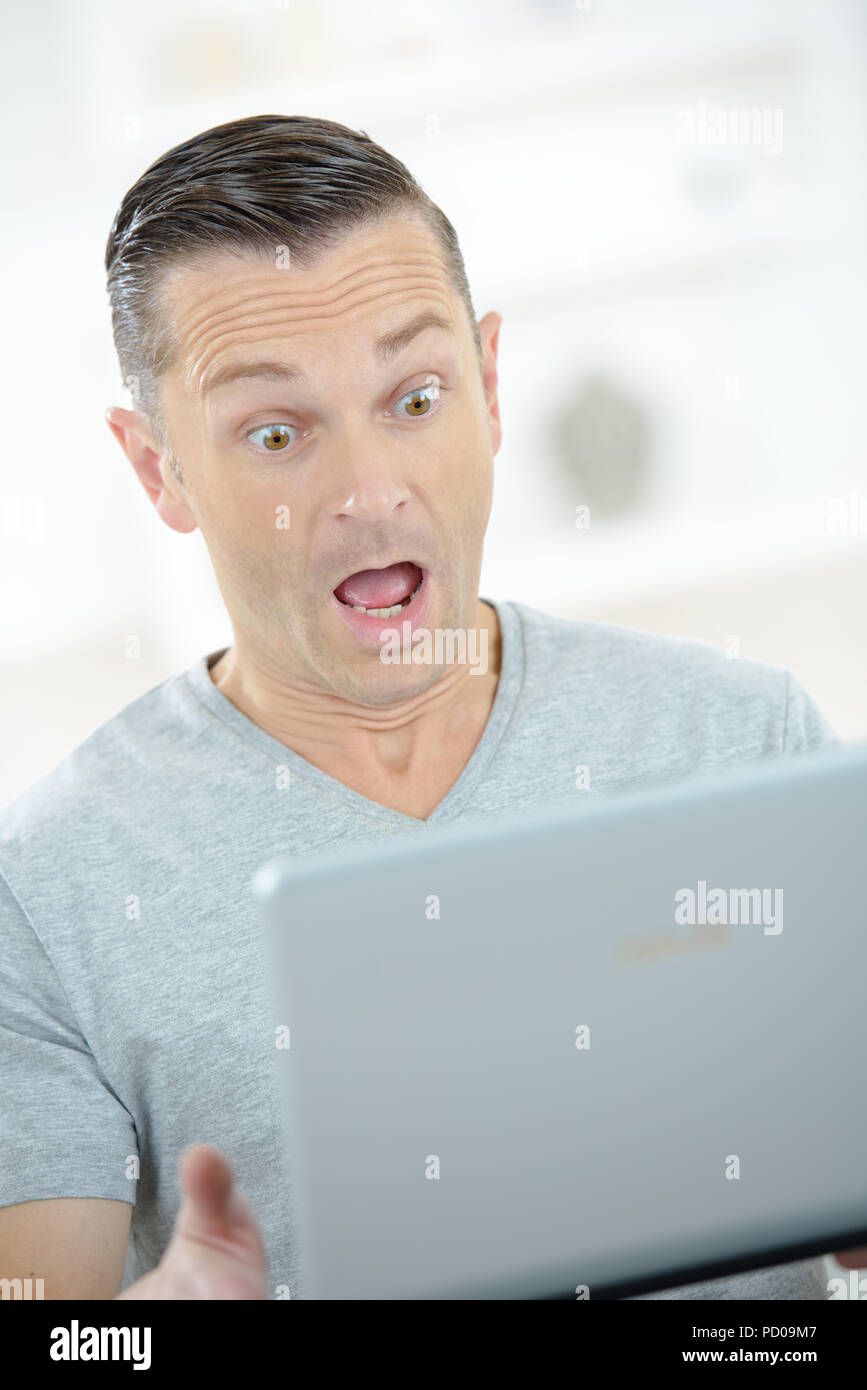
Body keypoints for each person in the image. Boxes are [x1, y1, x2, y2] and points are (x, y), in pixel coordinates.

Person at [1, 114, 862, 1301]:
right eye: (274, 430)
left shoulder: (747, 743)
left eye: (414, 399)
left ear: (492, 387)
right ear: (161, 469)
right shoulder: (45, 893)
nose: (368, 490)